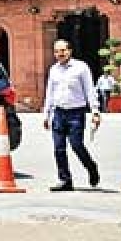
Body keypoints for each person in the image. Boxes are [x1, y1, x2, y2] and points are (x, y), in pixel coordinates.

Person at [42, 39, 101, 191]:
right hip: (59, 113)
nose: (59, 54)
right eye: (56, 51)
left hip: (76, 113)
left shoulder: (81, 68)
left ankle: (91, 167)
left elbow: (89, 90)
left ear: (69, 51)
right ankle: (65, 180)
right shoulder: (53, 70)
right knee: (58, 148)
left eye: (62, 51)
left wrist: (95, 111)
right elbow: (50, 93)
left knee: (76, 145)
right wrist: (46, 114)